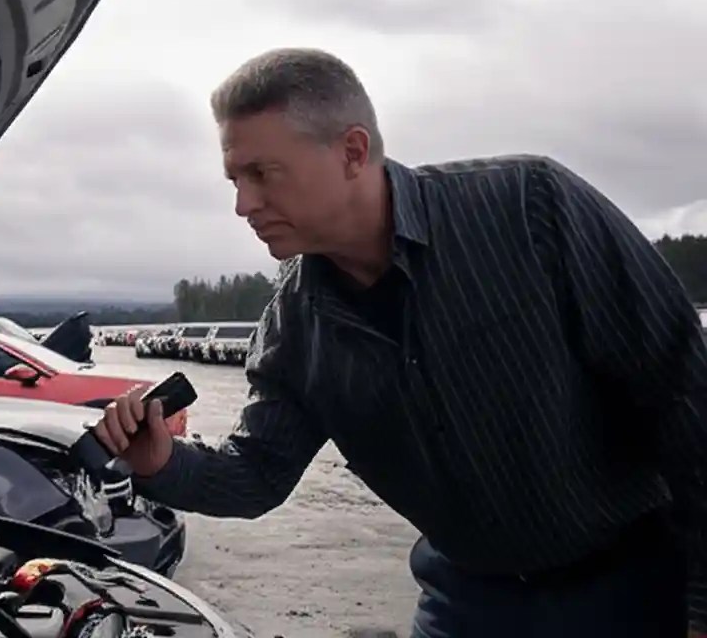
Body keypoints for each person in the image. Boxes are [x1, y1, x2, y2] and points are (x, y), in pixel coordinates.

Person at [92, 47, 707, 638]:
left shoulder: (530, 211)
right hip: (466, 602)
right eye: (234, 178)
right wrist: (163, 464)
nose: (243, 204)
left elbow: (686, 395)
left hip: (637, 586)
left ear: (352, 152)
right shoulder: (297, 324)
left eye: (262, 174)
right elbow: (259, 472)